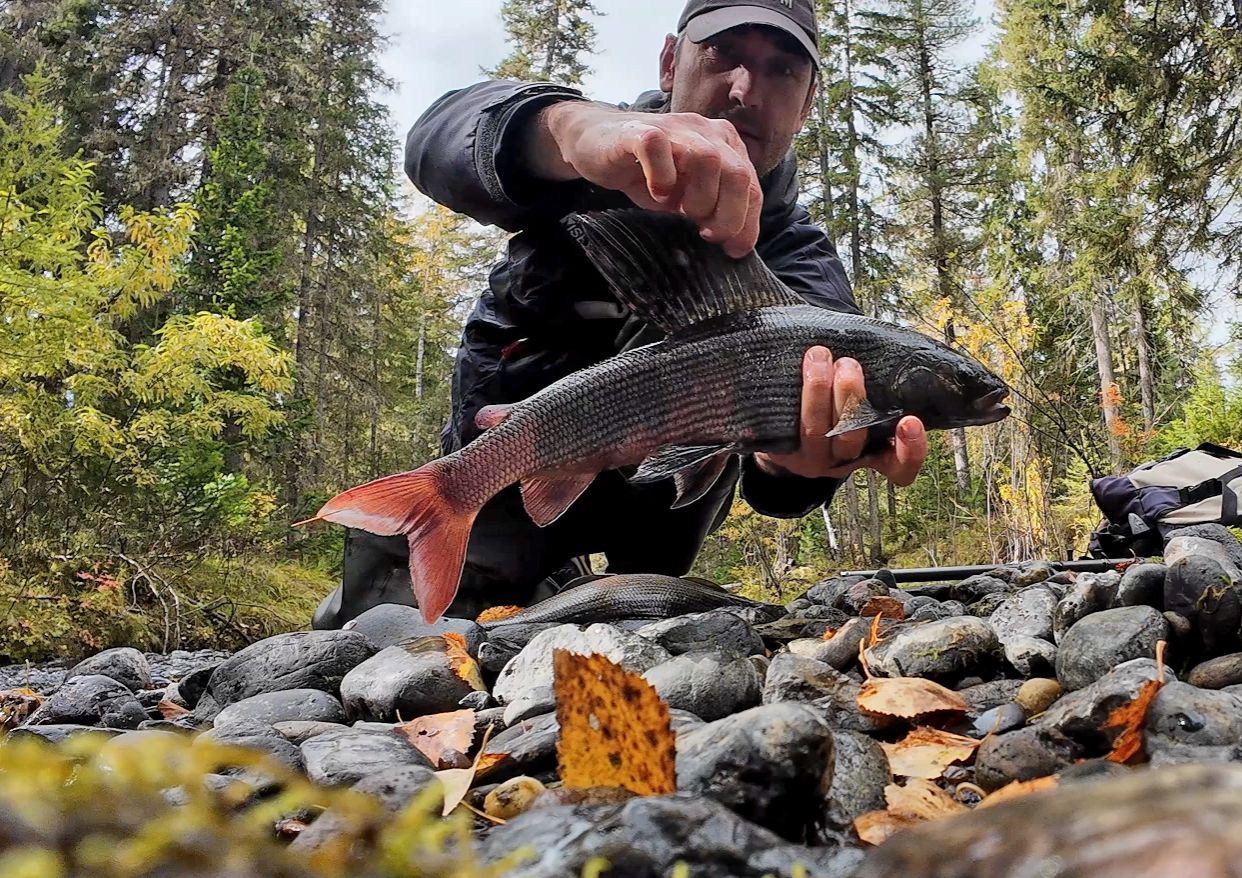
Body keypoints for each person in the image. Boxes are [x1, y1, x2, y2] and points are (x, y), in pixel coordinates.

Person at [310, 0, 928, 628]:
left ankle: (599, 598)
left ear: (808, 101)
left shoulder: (801, 265)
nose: (745, 90)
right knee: (389, 635)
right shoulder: (587, 152)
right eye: (723, 54)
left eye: (782, 70)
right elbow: (434, 140)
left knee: (637, 635)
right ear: (670, 63)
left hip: (661, 510)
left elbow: (784, 488)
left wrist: (795, 461)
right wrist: (570, 132)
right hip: (510, 465)